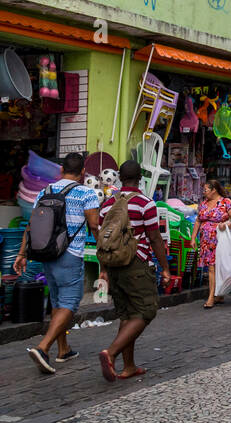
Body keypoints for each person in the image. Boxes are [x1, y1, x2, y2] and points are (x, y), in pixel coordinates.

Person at [16, 152, 102, 375]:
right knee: (70, 302)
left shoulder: (45, 191)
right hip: (70, 254)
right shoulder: (86, 192)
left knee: (57, 301)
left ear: (61, 170)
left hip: (46, 253)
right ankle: (43, 348)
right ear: (83, 173)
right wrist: (104, 247)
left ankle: (63, 349)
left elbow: (31, 224)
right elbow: (94, 225)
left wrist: (21, 253)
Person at [96, 160, 171, 381]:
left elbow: (102, 239)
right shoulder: (145, 203)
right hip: (136, 265)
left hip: (114, 266)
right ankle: (110, 353)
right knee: (146, 311)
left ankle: (128, 366)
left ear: (119, 177)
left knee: (128, 315)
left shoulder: (108, 204)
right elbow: (155, 238)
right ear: (140, 178)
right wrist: (165, 268)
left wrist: (104, 270)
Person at [197, 179, 231, 309]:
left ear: (213, 190)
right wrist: (194, 238)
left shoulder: (226, 202)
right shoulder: (203, 203)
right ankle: (217, 294)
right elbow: (198, 221)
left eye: (206, 190)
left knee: (216, 267)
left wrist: (226, 224)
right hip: (206, 240)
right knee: (211, 267)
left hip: (220, 239)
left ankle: (212, 296)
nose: (204, 192)